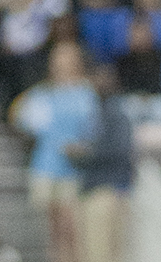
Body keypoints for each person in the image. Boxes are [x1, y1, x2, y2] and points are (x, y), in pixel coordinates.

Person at [10, 41, 99, 262]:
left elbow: (92, 128)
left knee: (71, 226)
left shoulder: (85, 92)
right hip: (46, 164)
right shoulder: (42, 92)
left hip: (73, 167)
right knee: (52, 228)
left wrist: (81, 146)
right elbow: (21, 118)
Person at [68, 65, 134, 262]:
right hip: (94, 189)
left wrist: (86, 153)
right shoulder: (95, 112)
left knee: (101, 253)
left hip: (106, 190)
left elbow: (120, 150)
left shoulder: (115, 114)